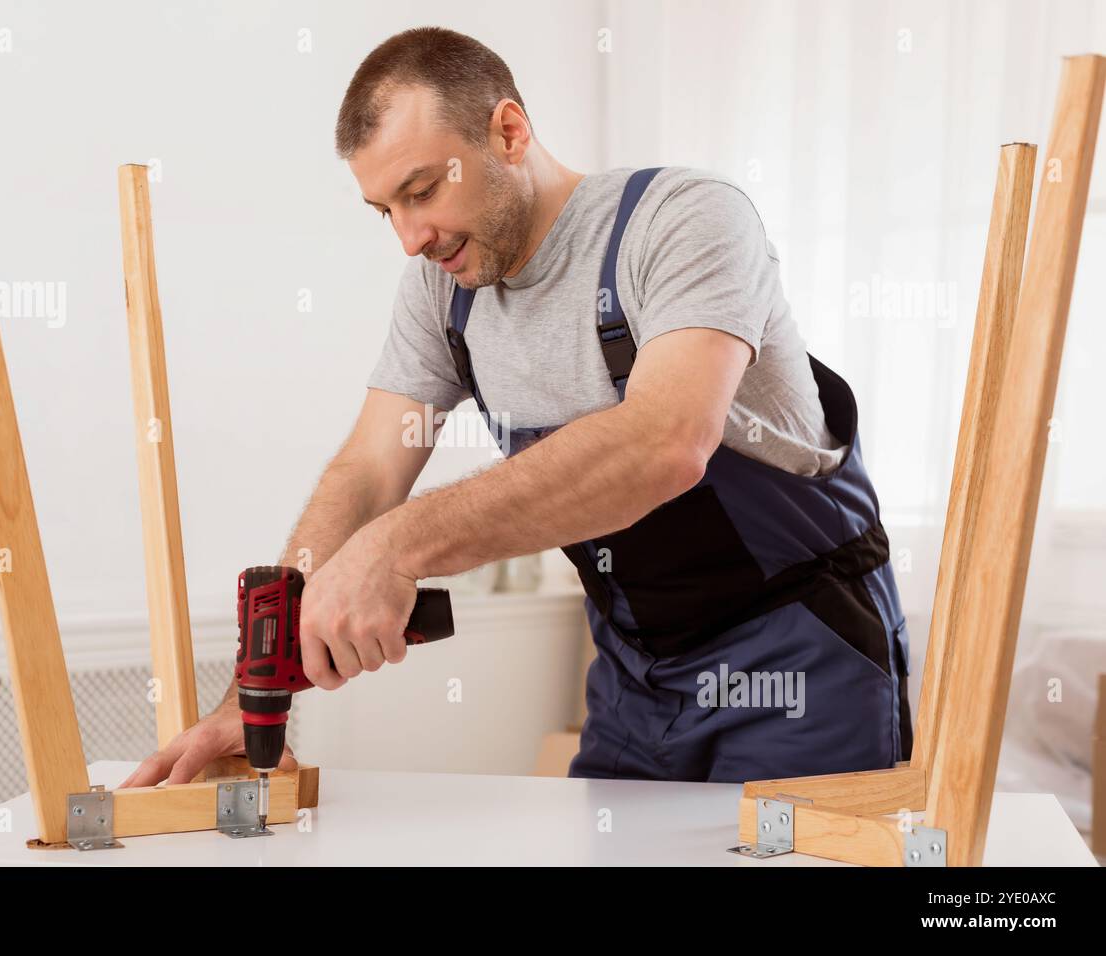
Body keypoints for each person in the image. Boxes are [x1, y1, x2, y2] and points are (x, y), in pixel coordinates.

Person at [122, 26, 911, 790]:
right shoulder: (442, 294)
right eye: (383, 210)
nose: (408, 237)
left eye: (422, 191)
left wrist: (399, 548)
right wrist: (255, 692)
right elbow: (367, 469)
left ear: (508, 131)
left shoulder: (681, 220)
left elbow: (665, 443)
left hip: (800, 664)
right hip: (638, 679)